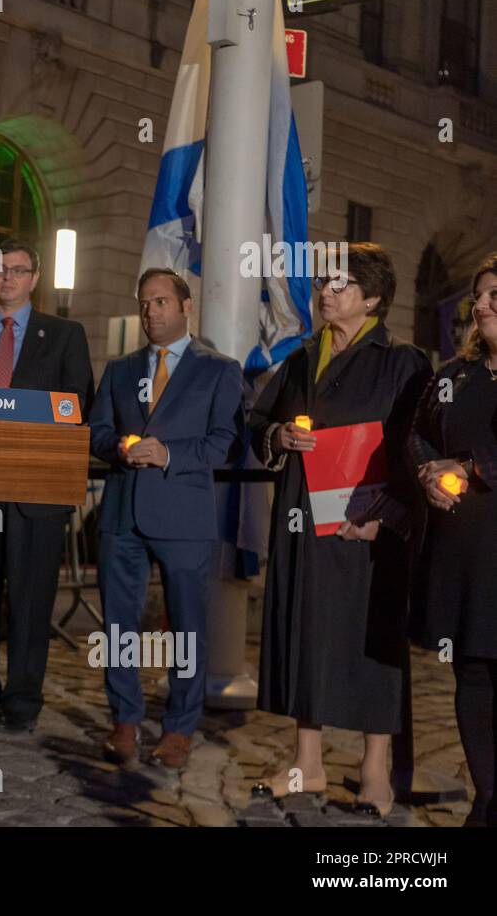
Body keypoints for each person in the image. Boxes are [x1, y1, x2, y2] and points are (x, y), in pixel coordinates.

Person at [250, 243, 431, 818]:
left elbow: (417, 447)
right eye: (324, 282)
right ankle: (307, 762)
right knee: (306, 633)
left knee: (371, 640)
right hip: (303, 518)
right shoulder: (302, 357)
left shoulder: (404, 360)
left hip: (369, 523)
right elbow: (259, 419)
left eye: (340, 284)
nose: (325, 291)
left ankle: (374, 767)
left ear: (372, 298)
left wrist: (392, 518)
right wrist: (278, 436)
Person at [89, 268, 244, 769]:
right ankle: (125, 722)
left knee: (186, 630)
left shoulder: (219, 370)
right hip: (121, 515)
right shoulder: (119, 369)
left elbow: (226, 441)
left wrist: (168, 454)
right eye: (144, 303)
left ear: (185, 306)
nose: (151, 312)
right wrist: (118, 447)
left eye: (160, 302)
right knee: (119, 627)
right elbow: (95, 433)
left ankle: (179, 728)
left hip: (183, 516)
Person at [0, 237, 94, 734]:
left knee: (32, 602)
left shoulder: (66, 335)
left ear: (34, 278)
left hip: (36, 494)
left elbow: (78, 408)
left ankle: (23, 704)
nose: (6, 276)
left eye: (17, 269)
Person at [409, 254, 497, 826]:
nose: (481, 306)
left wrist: (470, 466)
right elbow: (415, 434)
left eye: (494, 296)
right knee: (472, 671)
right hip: (464, 551)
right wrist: (426, 471)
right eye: (479, 296)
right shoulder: (451, 377)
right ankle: (487, 799)